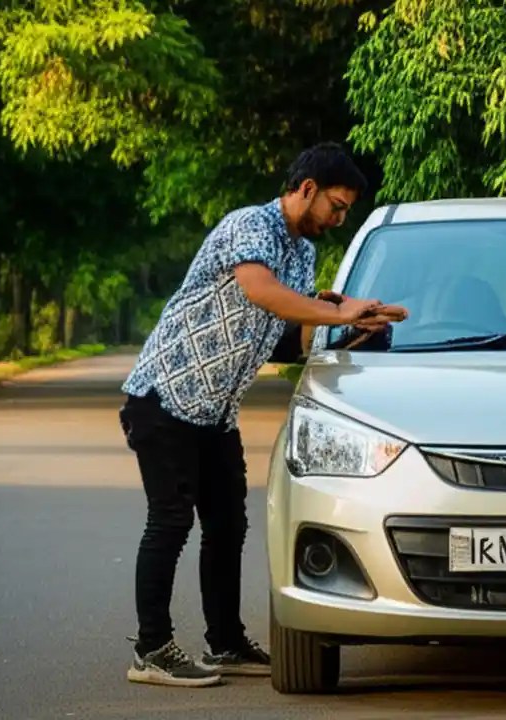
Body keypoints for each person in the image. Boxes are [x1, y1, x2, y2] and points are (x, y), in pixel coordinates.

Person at [117, 143, 406, 688]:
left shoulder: (300, 255)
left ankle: (225, 643)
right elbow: (261, 293)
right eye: (336, 207)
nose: (338, 219)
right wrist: (335, 308)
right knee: (172, 520)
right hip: (163, 398)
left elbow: (282, 339)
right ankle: (151, 649)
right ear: (306, 190)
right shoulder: (249, 226)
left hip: (214, 414)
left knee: (228, 526)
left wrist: (351, 327)